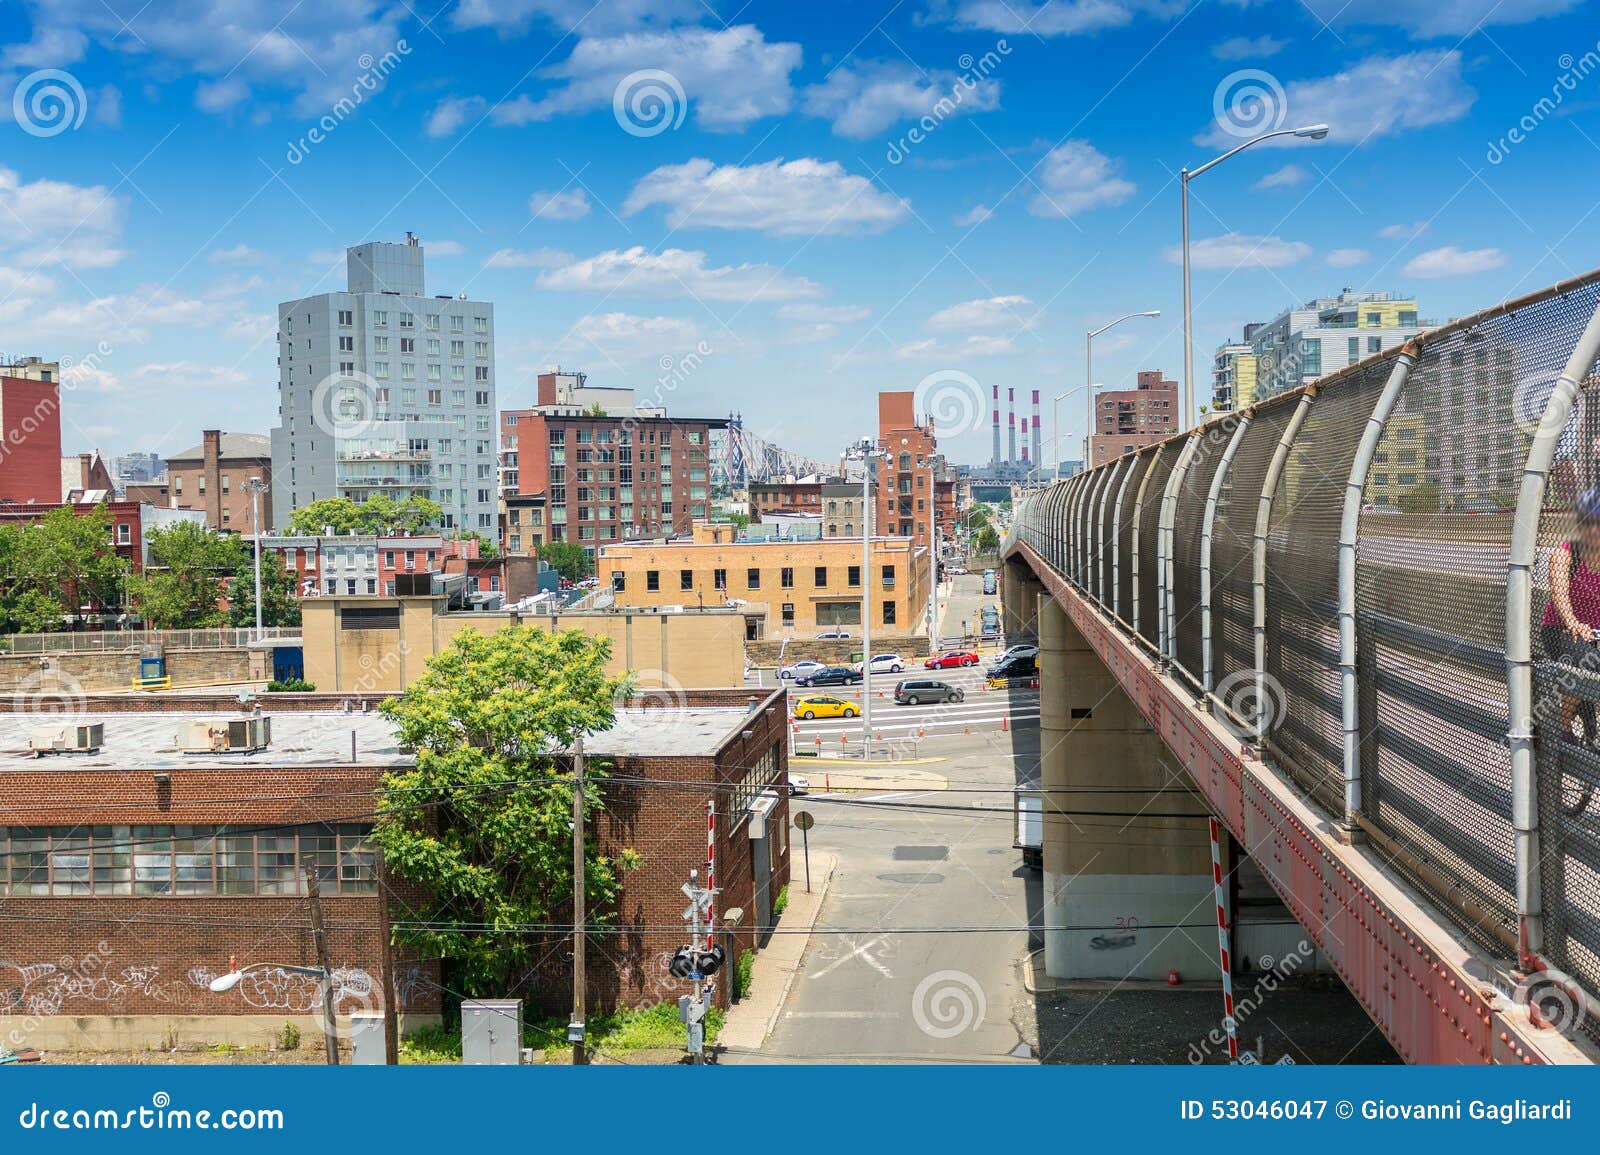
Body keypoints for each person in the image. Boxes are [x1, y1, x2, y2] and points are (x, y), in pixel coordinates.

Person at [1541, 488, 1600, 742]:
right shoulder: (1565, 554)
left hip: (1595, 633)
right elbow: (1560, 595)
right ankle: (1561, 727)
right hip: (1560, 630)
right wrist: (1573, 621)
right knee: (1583, 661)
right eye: (1589, 524)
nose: (1594, 531)